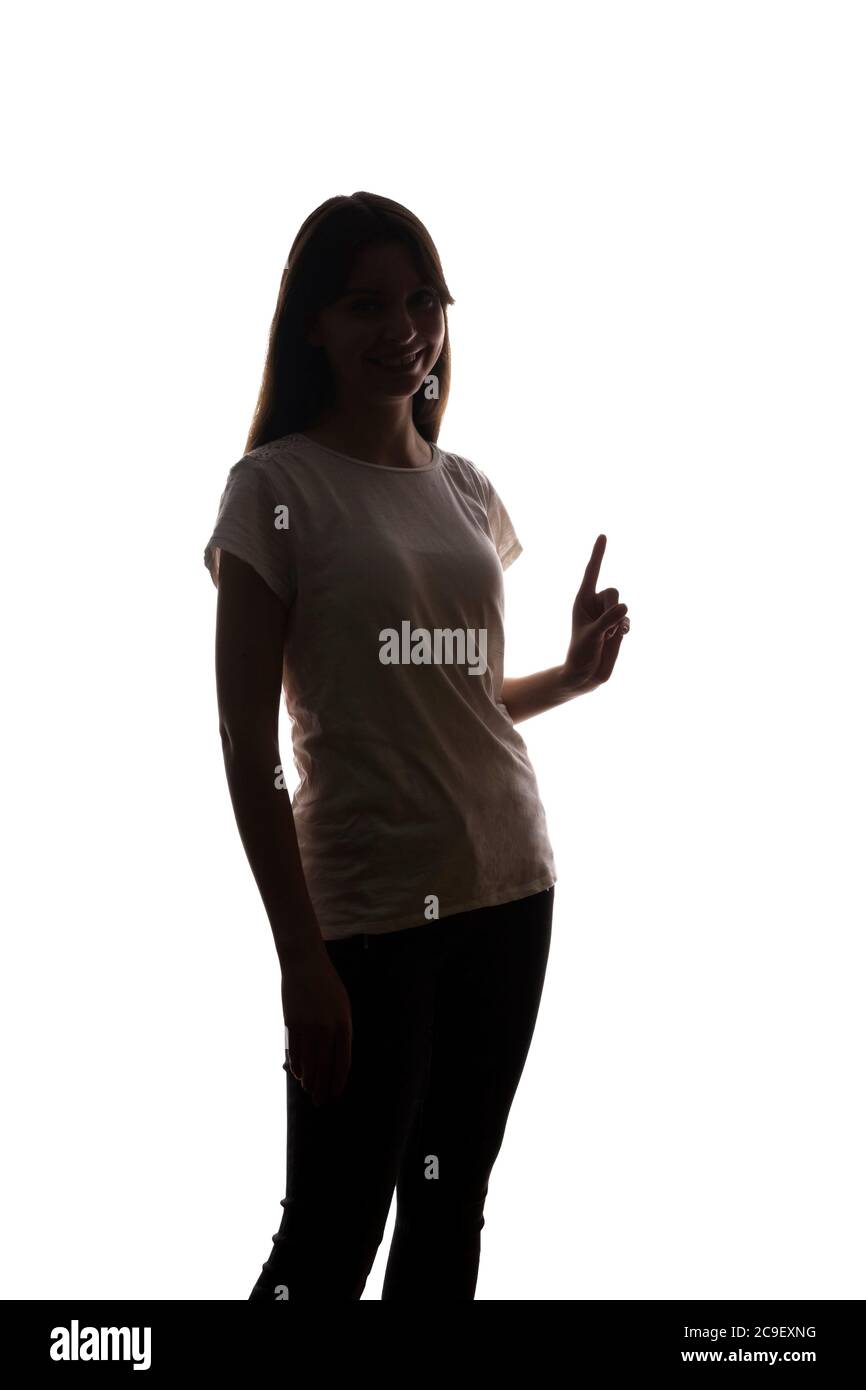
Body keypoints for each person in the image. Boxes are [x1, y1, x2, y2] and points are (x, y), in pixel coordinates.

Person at [203, 192, 630, 1300]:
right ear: (311, 325)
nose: (402, 328)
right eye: (364, 305)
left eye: (421, 300)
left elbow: (459, 695)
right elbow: (247, 749)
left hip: (509, 886)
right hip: (368, 918)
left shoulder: (464, 487)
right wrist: (301, 956)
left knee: (449, 1210)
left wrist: (571, 678)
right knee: (329, 1238)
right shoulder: (275, 491)